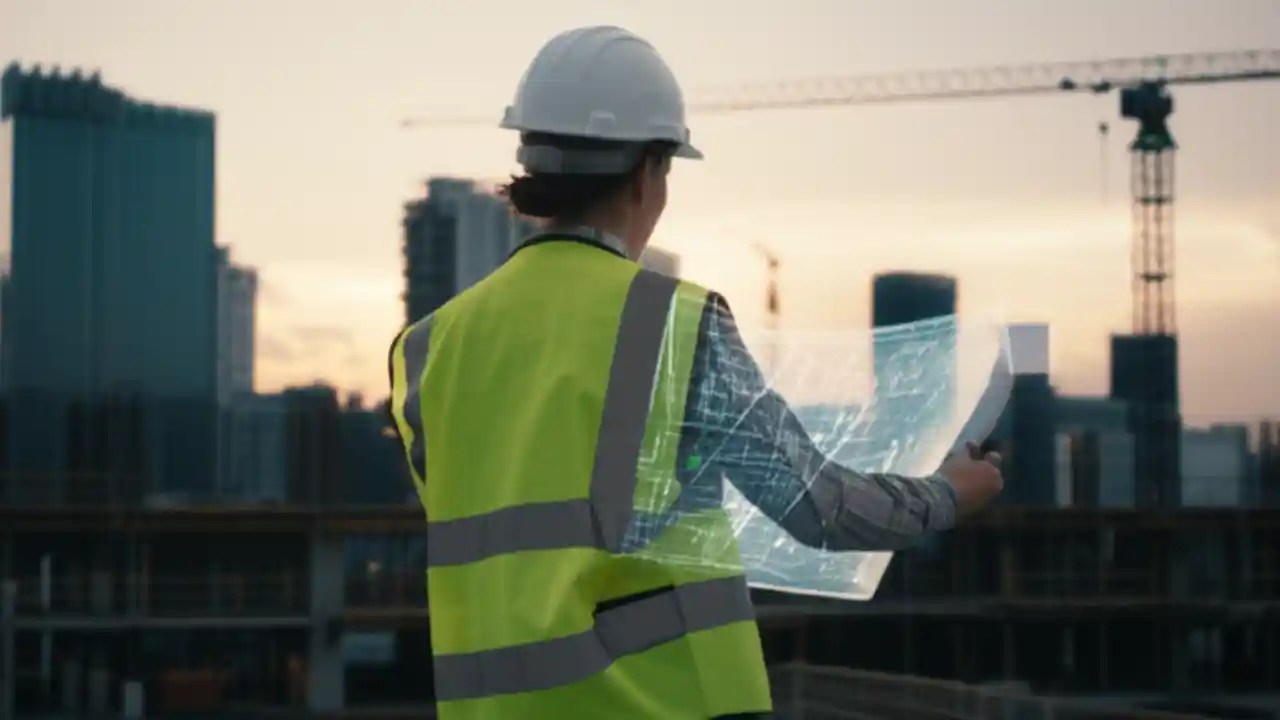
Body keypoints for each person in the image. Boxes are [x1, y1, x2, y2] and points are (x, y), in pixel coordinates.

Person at [388, 25, 1004, 720]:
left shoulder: (428, 347)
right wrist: (949, 492)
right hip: (666, 703)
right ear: (652, 170)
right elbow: (819, 509)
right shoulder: (673, 323)